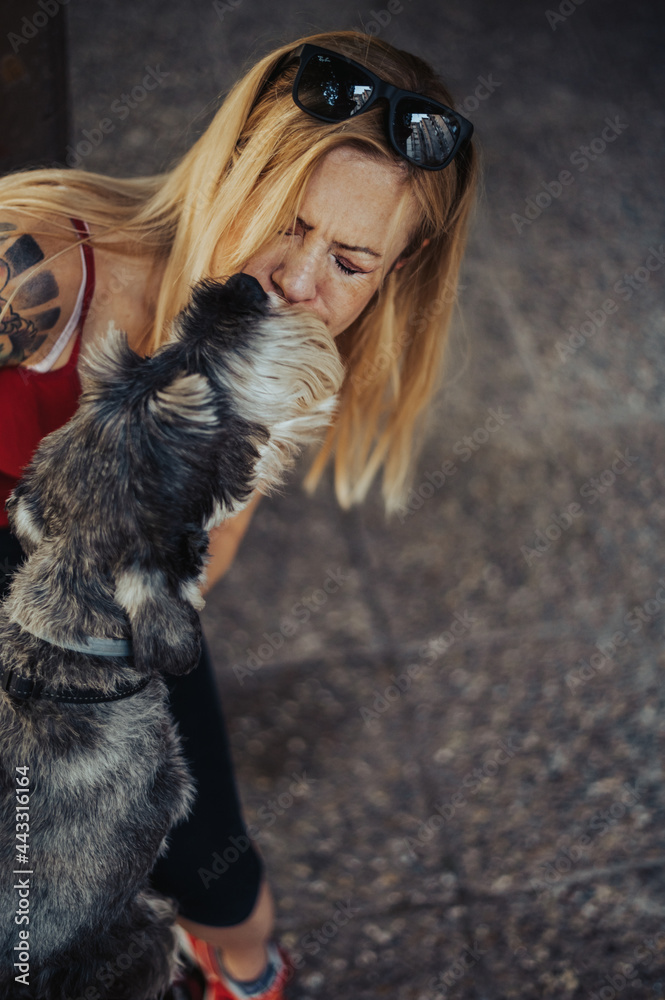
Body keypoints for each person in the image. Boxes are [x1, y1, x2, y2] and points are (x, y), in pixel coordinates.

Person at [0, 29, 477, 1000]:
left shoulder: (284, 348)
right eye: (287, 225)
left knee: (223, 890)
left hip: (120, 626)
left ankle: (247, 979)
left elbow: (202, 571)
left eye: (351, 260)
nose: (301, 281)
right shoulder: (41, 264)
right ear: (232, 174)